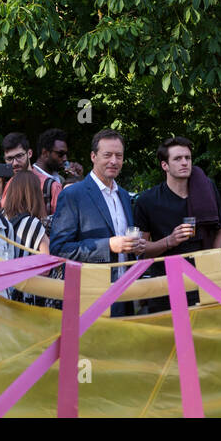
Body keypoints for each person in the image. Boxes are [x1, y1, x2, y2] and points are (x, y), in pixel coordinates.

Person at [49, 128, 144, 317]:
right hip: (89, 299)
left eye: (119, 155)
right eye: (107, 155)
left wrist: (136, 248)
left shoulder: (124, 196)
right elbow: (59, 249)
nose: (114, 161)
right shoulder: (72, 195)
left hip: (125, 296)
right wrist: (108, 245)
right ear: (93, 156)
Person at [133, 137, 221, 313]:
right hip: (166, 286)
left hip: (205, 281)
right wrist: (169, 240)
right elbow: (140, 250)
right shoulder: (147, 201)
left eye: (188, 158)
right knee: (166, 339)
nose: (184, 163)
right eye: (177, 158)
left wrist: (214, 259)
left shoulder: (207, 189)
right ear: (164, 165)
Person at [0, 170, 52, 304]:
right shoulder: (33, 224)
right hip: (24, 297)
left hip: (0, 291)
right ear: (35, 194)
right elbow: (46, 269)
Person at [33, 128, 84, 212]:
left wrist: (77, 179)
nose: (65, 159)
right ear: (45, 153)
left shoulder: (60, 180)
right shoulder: (31, 181)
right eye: (60, 154)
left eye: (66, 154)